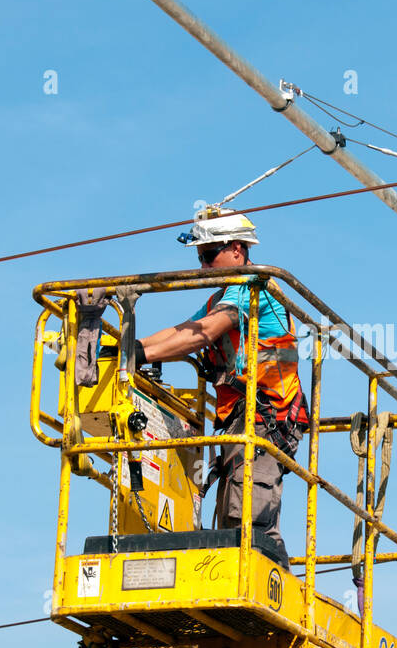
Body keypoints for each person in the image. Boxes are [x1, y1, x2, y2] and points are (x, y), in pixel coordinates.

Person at [130, 213, 308, 568]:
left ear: (238, 250)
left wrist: (139, 354)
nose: (202, 265)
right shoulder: (221, 298)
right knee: (233, 519)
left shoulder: (253, 287)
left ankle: (270, 591)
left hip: (267, 419)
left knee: (248, 520)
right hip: (238, 423)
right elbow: (183, 329)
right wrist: (128, 348)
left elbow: (206, 333)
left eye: (209, 254)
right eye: (199, 256)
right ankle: (253, 584)